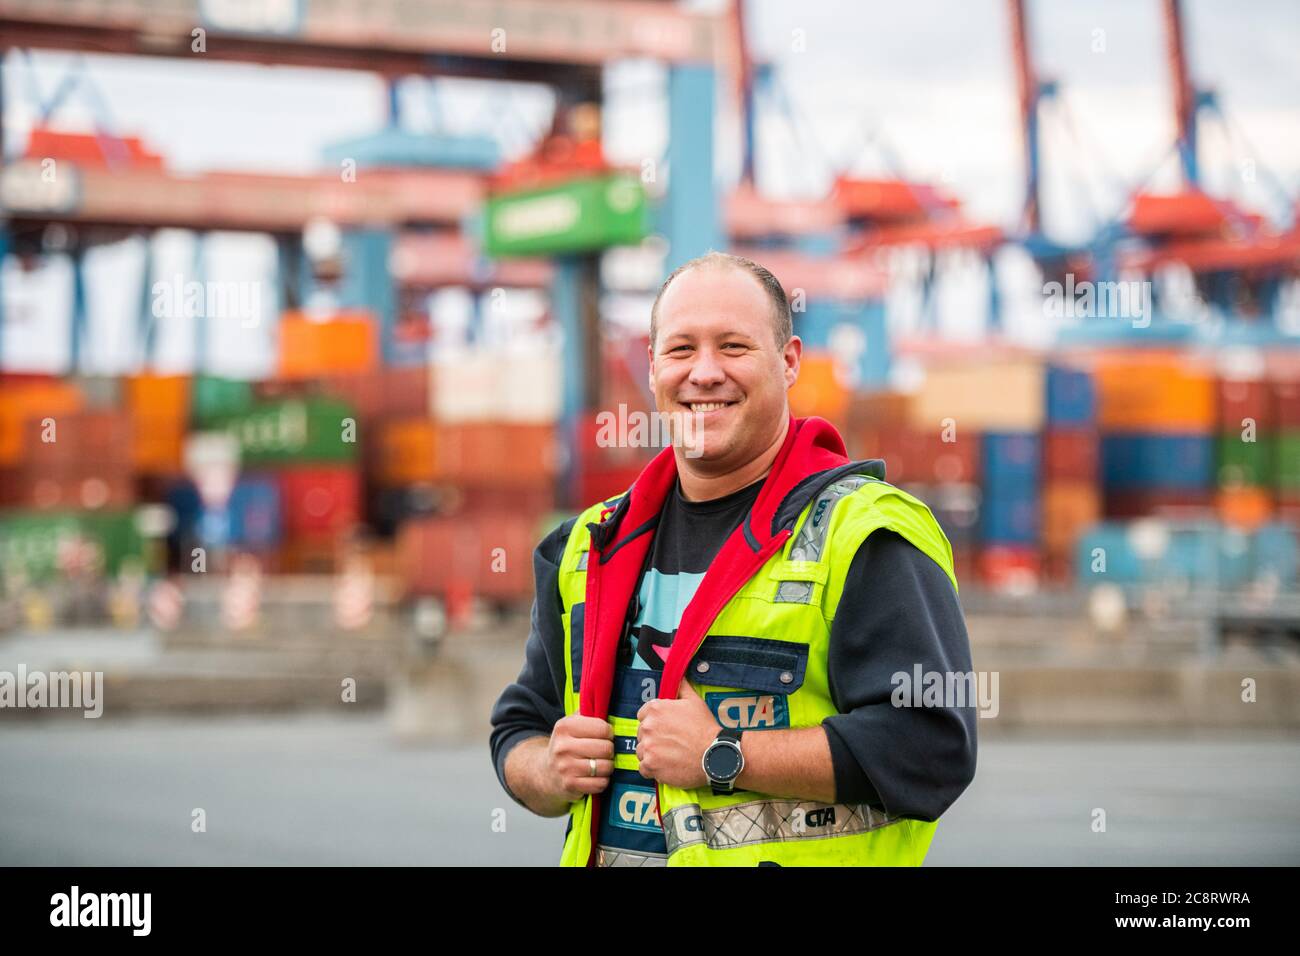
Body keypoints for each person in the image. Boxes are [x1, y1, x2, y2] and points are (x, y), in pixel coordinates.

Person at [489, 252, 977, 866]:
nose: (705, 372)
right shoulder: (587, 546)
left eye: (734, 347)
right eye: (681, 349)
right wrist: (549, 770)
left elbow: (934, 749)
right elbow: (517, 731)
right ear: (652, 366)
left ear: (790, 361)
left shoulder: (866, 535)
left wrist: (724, 753)